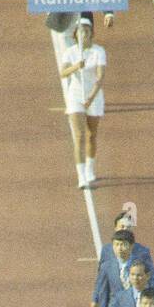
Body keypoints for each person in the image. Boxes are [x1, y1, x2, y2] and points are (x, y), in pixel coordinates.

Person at [59, 18, 105, 190]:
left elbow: (100, 77)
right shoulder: (70, 52)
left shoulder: (98, 51)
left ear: (91, 34)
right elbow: (63, 73)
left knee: (91, 135)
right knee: (79, 136)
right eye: (80, 32)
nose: (83, 35)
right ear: (75, 35)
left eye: (86, 31)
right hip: (75, 96)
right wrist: (76, 66)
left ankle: (89, 168)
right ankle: (81, 176)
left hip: (93, 97)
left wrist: (91, 99)